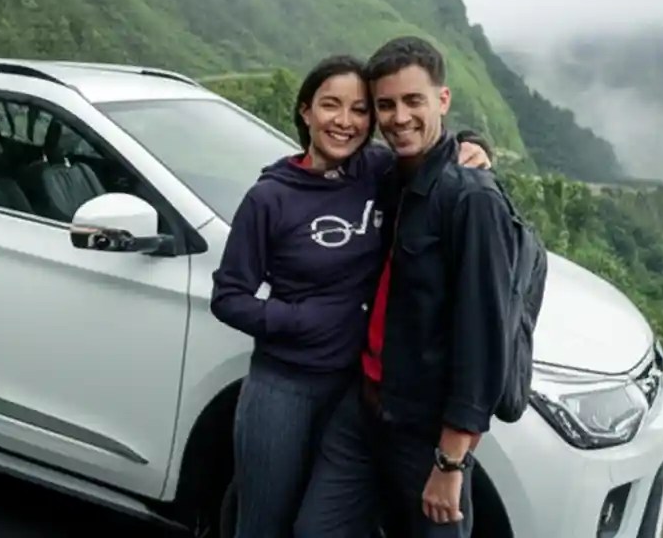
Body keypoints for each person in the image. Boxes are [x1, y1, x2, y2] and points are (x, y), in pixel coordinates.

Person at [210, 54, 492, 538]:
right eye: (330, 106)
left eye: (360, 110)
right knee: (264, 524)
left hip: (355, 395)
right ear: (305, 111)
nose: (345, 122)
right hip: (285, 390)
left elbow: (431, 155)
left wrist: (474, 145)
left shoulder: (378, 172)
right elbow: (228, 296)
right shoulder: (271, 197)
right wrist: (299, 319)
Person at [293, 37, 519, 538]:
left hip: (425, 433)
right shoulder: (390, 177)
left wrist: (451, 462)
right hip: (365, 409)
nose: (398, 118)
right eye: (386, 105)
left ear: (442, 99)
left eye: (413, 101)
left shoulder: (471, 199)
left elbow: (484, 339)